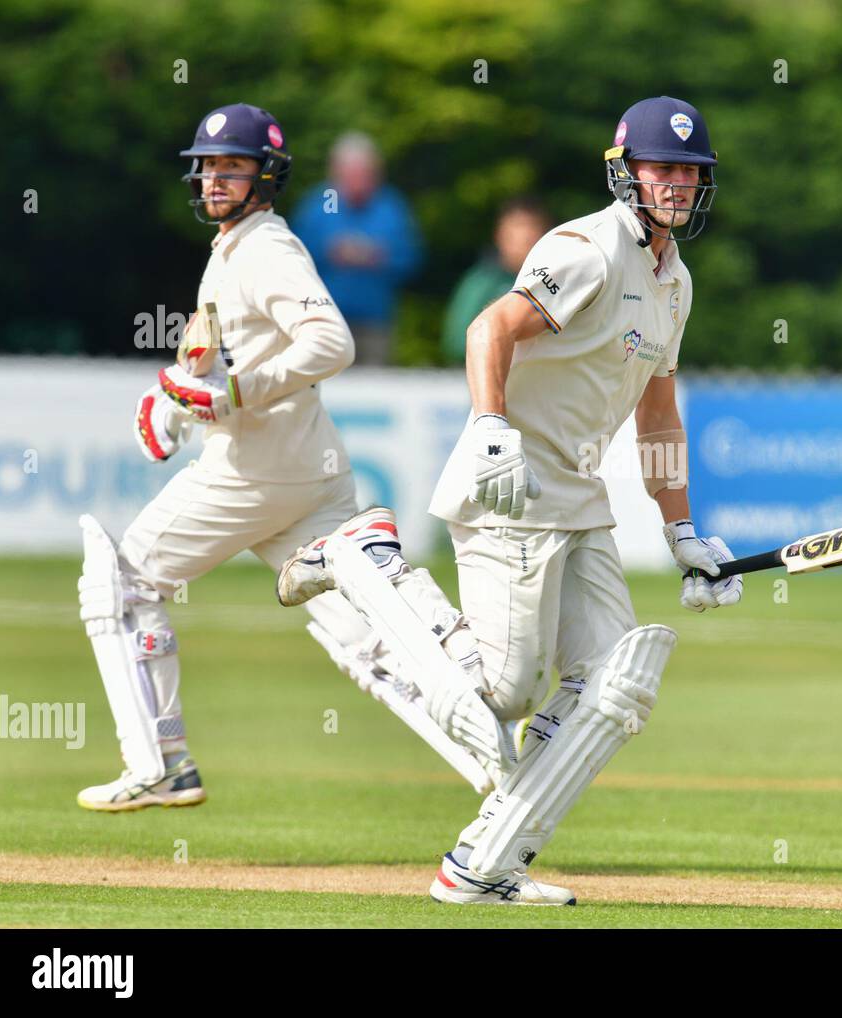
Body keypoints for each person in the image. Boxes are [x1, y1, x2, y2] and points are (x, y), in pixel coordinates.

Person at [278, 96, 742, 904]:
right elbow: (489, 330)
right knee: (503, 696)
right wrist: (492, 427)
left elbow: (657, 410)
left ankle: (485, 864)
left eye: (689, 173)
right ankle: (363, 561)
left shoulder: (676, 283)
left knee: (617, 685)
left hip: (580, 498)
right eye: (662, 169)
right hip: (513, 486)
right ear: (626, 171)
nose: (675, 185)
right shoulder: (587, 249)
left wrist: (683, 531)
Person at [76, 103, 443, 811]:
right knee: (367, 631)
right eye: (207, 166)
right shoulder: (235, 248)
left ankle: (162, 763)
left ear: (265, 175)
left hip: (252, 473)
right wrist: (173, 406)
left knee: (119, 582)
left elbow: (330, 343)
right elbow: (214, 360)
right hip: (308, 471)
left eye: (231, 166)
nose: (214, 179)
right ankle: (478, 722)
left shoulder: (266, 246)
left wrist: (237, 393)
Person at [292, 132, 423, 365]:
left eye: (364, 174)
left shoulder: (389, 205)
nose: (358, 181)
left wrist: (378, 256)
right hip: (324, 319)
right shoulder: (325, 200)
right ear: (336, 172)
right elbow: (297, 254)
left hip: (374, 322)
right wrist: (331, 251)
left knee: (373, 389)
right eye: (351, 173)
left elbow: (410, 257)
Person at [440, 197, 552, 363]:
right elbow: (457, 341)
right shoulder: (481, 282)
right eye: (518, 227)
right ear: (500, 235)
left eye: (533, 227)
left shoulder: (555, 281)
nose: (526, 236)